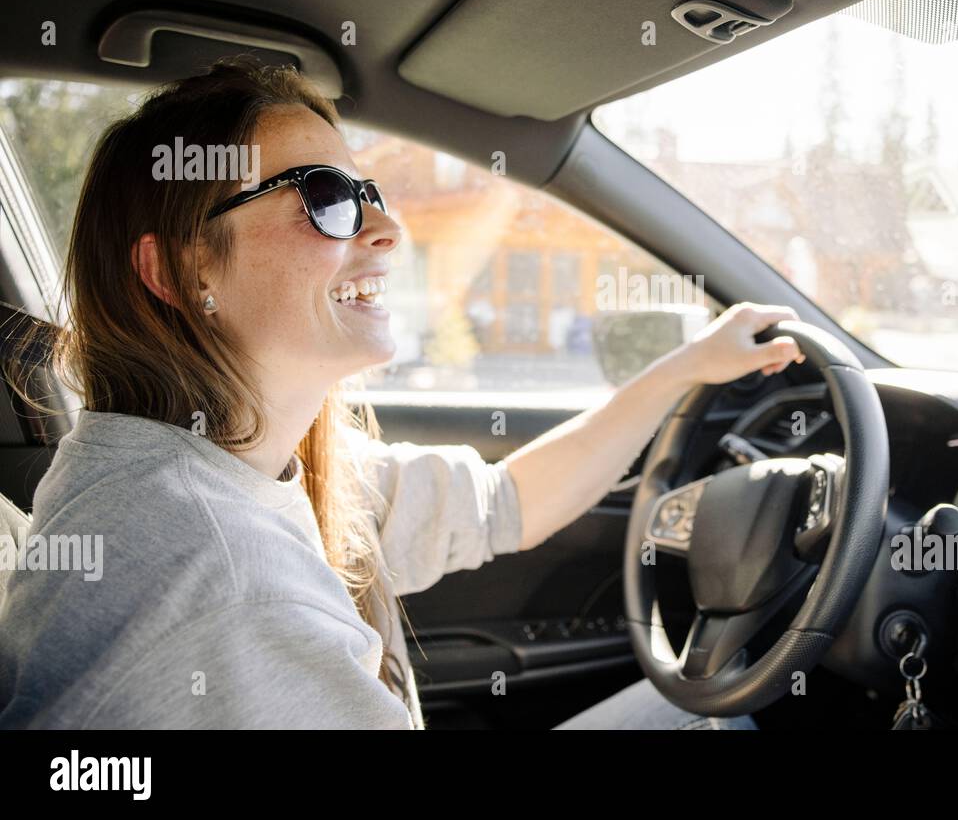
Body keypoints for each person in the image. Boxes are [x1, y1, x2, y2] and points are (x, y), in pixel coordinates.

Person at [0, 59, 803, 729]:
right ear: (180, 271)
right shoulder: (222, 578)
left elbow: (505, 500)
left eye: (371, 192)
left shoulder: (247, 461)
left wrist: (682, 368)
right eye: (325, 196)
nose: (386, 228)